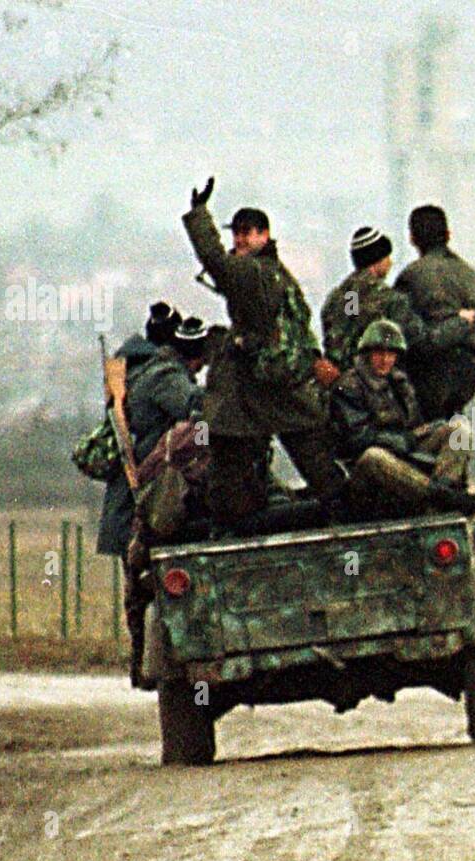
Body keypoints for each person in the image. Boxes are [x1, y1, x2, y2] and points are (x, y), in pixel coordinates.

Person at [181, 177, 345, 527]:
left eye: (248, 231)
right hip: (283, 383)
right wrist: (313, 361)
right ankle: (345, 512)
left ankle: (239, 527)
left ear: (264, 235)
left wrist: (199, 216)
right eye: (236, 232)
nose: (240, 239)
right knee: (311, 453)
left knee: (231, 468)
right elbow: (299, 322)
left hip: (254, 386)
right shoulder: (279, 274)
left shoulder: (250, 271)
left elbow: (213, 259)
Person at [120, 314, 212, 687]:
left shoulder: (155, 372)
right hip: (159, 488)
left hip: (159, 486)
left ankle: (146, 666)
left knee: (144, 580)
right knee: (145, 580)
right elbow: (197, 412)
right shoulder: (166, 379)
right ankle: (147, 666)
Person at [331, 320, 475, 518]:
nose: (385, 359)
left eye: (390, 353)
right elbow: (357, 438)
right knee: (373, 457)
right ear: (367, 354)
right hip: (366, 470)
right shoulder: (349, 386)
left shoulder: (399, 383)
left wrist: (429, 430)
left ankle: (442, 496)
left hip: (403, 454)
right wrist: (400, 441)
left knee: (459, 430)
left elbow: (413, 425)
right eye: (379, 353)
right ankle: (442, 497)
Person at [95, 301, 184, 558]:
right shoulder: (162, 376)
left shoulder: (130, 373)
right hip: (147, 498)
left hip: (129, 501)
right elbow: (195, 412)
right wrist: (203, 441)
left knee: (139, 585)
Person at [392, 205, 475, 421]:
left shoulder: (410, 277)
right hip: (466, 375)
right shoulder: (470, 275)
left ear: (412, 238)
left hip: (425, 376)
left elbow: (400, 333)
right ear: (447, 235)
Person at [320, 226, 421, 372]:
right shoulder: (391, 299)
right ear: (377, 259)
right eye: (387, 257)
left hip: (340, 384)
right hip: (375, 386)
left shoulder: (342, 296)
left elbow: (347, 327)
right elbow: (416, 339)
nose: (390, 263)